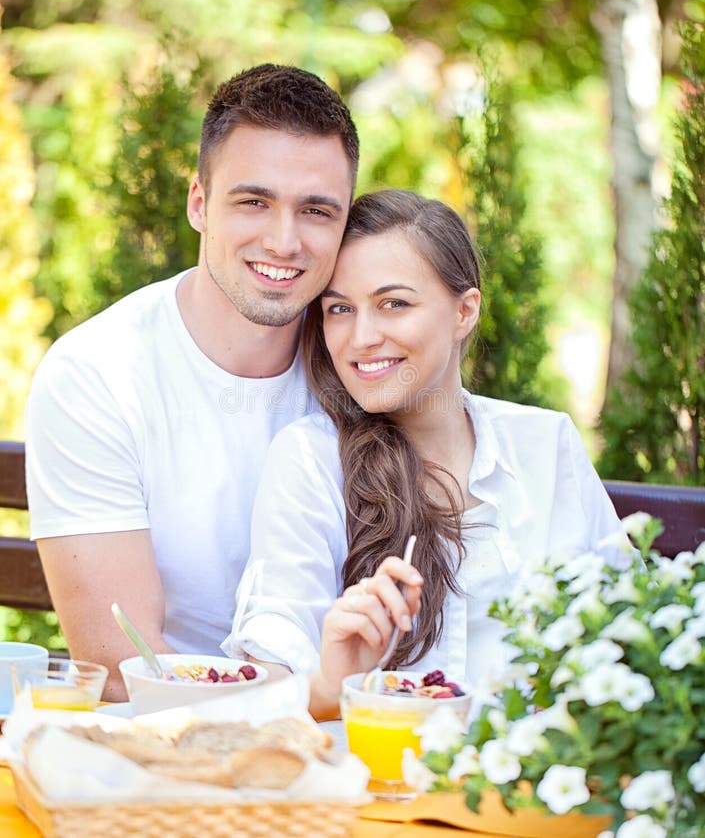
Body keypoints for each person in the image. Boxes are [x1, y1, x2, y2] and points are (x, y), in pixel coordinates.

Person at [223, 189, 624, 720]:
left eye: (394, 303)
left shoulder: (546, 445)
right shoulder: (311, 460)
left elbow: (629, 625)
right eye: (340, 309)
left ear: (464, 311)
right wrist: (333, 683)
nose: (362, 337)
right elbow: (271, 673)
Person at [25, 64, 359, 699]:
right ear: (199, 204)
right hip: (167, 734)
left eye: (317, 211)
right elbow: (121, 663)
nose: (284, 241)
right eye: (253, 202)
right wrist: (301, 701)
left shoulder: (365, 369)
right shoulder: (97, 374)